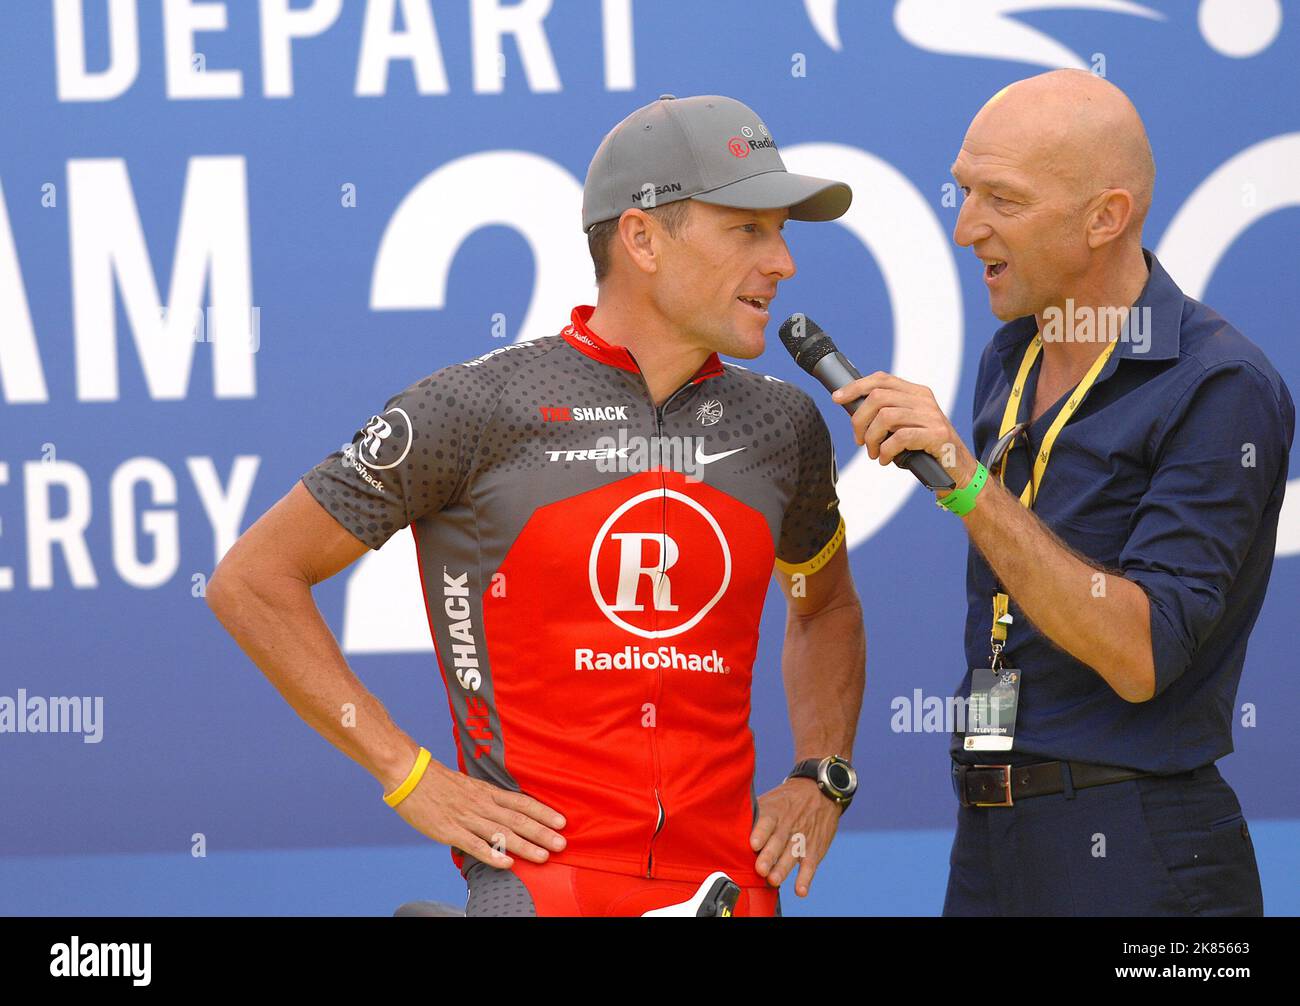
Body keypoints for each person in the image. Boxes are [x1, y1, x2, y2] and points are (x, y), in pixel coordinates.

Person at [206, 94, 867, 917]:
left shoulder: (783, 423)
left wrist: (822, 773)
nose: (783, 262)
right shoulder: (476, 407)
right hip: (546, 887)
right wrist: (405, 774)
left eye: (782, 233)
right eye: (748, 231)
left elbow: (826, 606)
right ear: (642, 238)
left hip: (731, 888)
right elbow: (253, 579)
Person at [831, 69, 1293, 915]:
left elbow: (1142, 654)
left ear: (1105, 218)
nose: (966, 227)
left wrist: (969, 485)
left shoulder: (1220, 384)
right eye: (965, 190)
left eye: (1001, 200)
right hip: (992, 839)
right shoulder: (1013, 354)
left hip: (1142, 850)